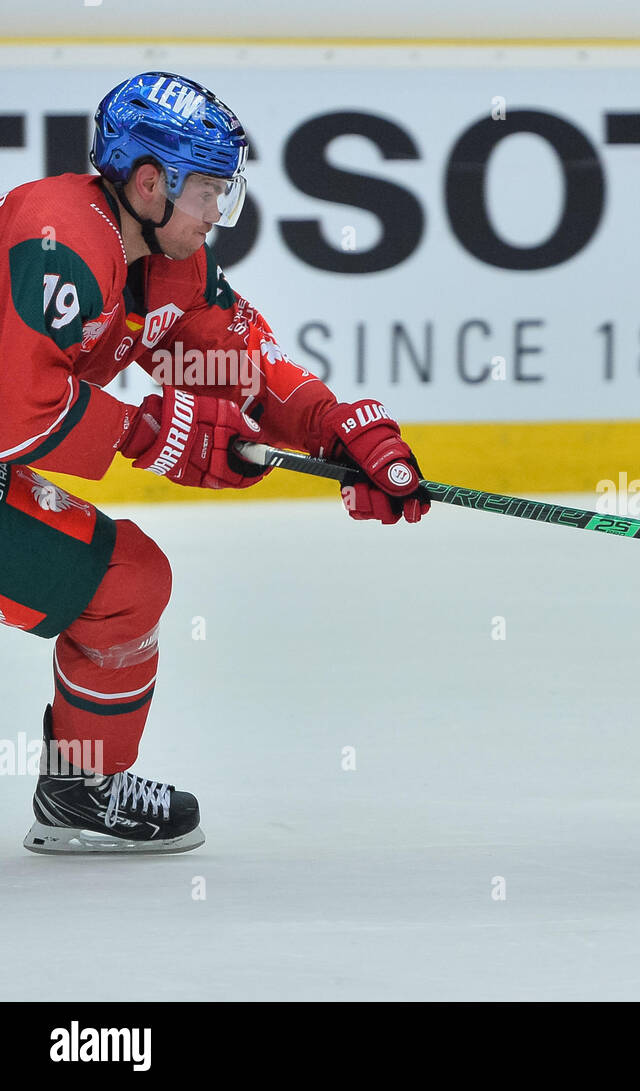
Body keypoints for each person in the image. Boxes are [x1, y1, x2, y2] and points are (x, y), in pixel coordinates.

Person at [0, 72, 430, 854]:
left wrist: (341, 429)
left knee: (126, 581)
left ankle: (79, 789)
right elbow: (16, 411)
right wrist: (154, 436)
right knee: (124, 580)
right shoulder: (62, 235)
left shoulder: (165, 266)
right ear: (149, 180)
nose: (217, 215)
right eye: (208, 192)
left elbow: (245, 369)